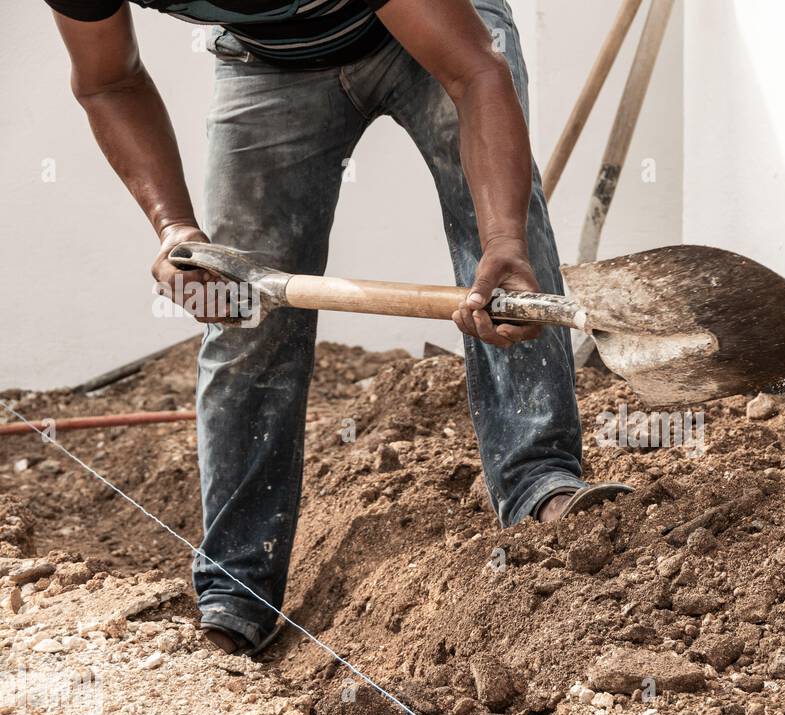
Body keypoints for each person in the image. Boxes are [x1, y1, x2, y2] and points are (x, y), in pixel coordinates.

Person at [46, 0, 628, 654]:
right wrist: (174, 227)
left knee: (503, 260)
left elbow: (472, 74)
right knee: (243, 312)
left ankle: (540, 488)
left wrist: (504, 239)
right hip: (266, 63)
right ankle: (238, 589)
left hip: (433, 37)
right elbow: (107, 81)